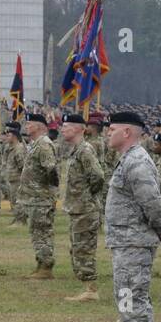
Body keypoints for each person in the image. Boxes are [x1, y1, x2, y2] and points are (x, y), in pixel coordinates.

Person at [104, 110, 161, 322]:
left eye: (112, 129)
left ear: (127, 132)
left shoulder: (137, 162)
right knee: (129, 296)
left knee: (131, 297)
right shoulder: (129, 159)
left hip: (134, 242)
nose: (108, 133)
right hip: (126, 241)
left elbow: (151, 201)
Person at [61, 112, 106, 302]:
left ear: (80, 129)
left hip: (85, 207)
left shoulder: (85, 150)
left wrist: (88, 195)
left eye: (68, 126)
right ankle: (87, 287)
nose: (63, 129)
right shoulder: (76, 150)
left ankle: (91, 290)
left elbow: (98, 176)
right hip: (77, 207)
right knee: (77, 248)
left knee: (84, 249)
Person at [19, 113, 60, 279]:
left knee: (42, 232)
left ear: (40, 126)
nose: (27, 126)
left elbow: (51, 170)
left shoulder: (43, 144)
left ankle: (46, 267)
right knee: (37, 232)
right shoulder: (35, 144)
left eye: (30, 123)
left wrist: (46, 189)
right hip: (35, 197)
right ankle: (41, 263)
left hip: (41, 197)